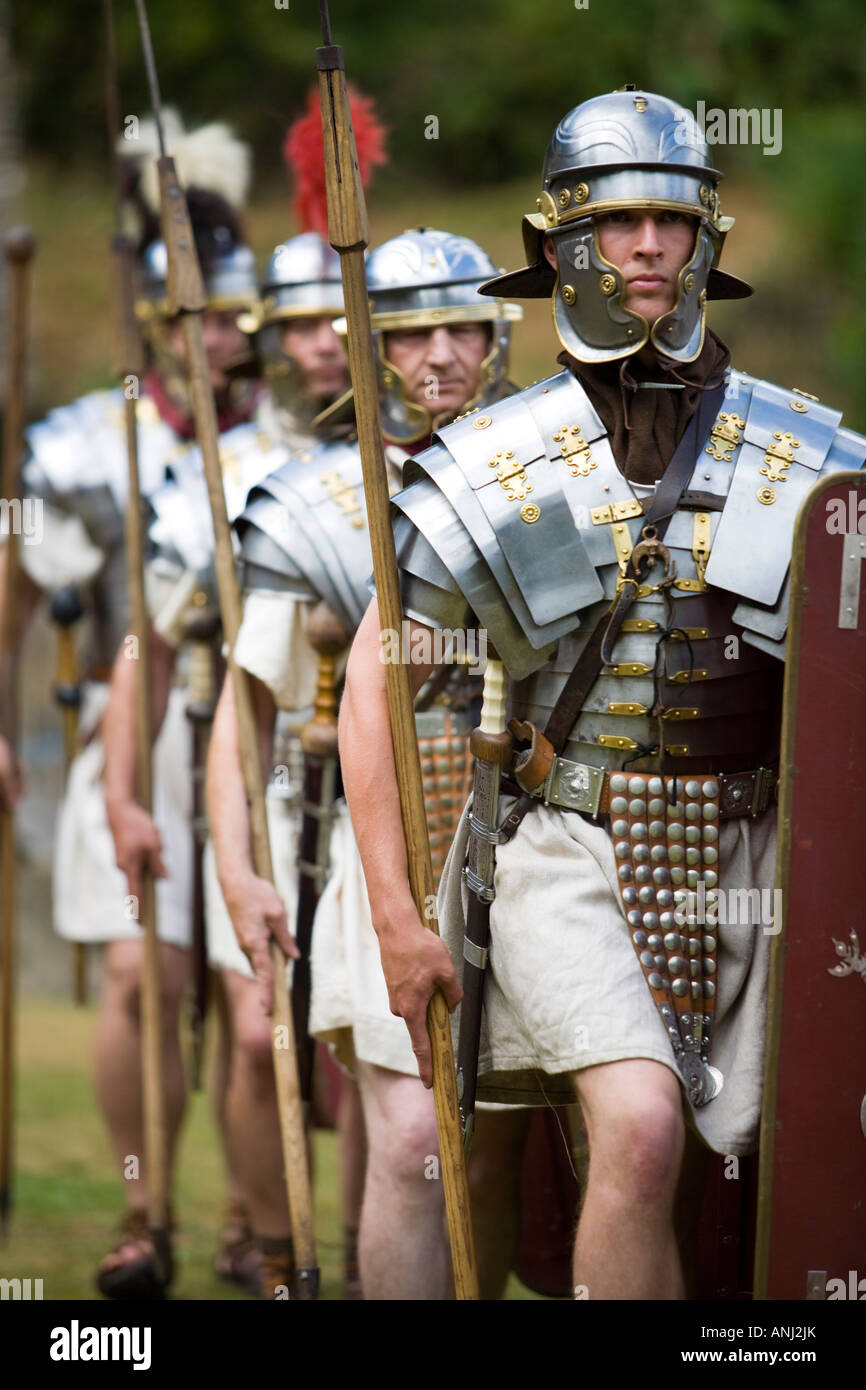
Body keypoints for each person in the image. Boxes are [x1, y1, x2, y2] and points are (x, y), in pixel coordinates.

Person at [337, 89, 866, 1299]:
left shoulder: (810, 458)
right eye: (618, 220)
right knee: (636, 1128)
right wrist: (394, 918)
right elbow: (377, 688)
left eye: (669, 221)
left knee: (732, 1173)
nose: (644, 246)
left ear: (705, 240)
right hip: (567, 841)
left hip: (757, 854)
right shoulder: (491, 461)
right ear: (560, 244)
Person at [206, 227, 525, 1298]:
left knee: (502, 1146)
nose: (440, 353)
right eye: (411, 333)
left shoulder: (548, 469)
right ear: (371, 353)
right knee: (404, 1139)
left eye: (461, 328)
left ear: (495, 336)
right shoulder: (313, 504)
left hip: (534, 846)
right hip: (385, 845)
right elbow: (243, 710)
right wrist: (238, 868)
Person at [0, 114, 268, 1299]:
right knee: (132, 978)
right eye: (195, 315)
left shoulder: (292, 440)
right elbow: (13, 588)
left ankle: (261, 1225)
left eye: (231, 315)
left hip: (264, 732)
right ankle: (140, 1210)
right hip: (131, 725)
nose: (216, 336)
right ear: (158, 322)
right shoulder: (82, 446)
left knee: (246, 989)